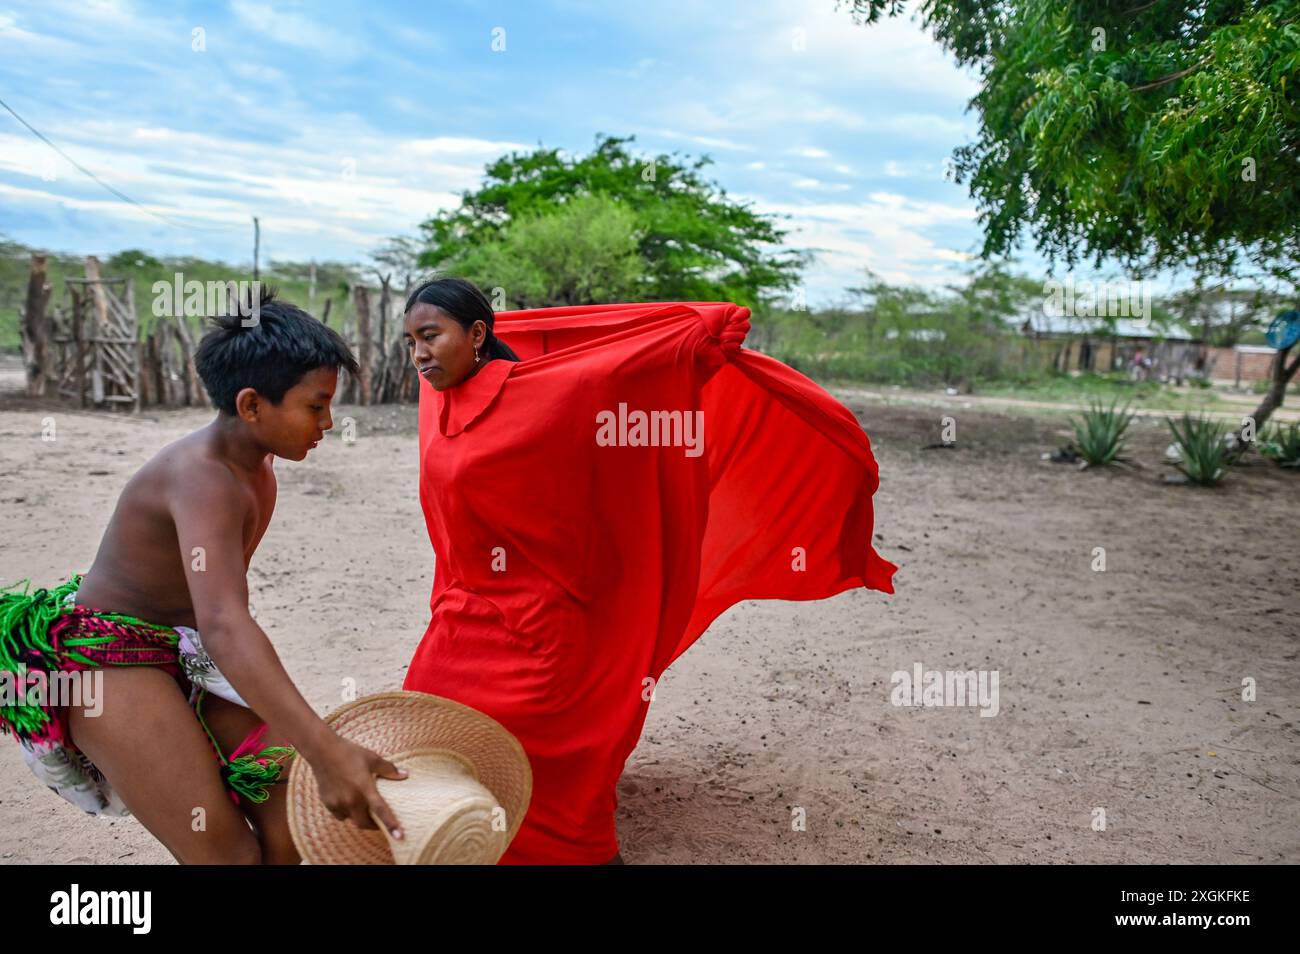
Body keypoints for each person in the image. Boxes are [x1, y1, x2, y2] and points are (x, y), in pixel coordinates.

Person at [401, 278, 897, 864]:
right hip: (467, 606)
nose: (418, 354)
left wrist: (690, 339)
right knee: (424, 715)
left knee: (538, 751)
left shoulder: (543, 392)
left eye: (429, 336)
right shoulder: (436, 398)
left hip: (549, 610)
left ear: (478, 334)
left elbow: (606, 374)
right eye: (409, 342)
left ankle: (578, 846)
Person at [0, 288, 407, 864]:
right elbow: (224, 622)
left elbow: (216, 622)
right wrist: (324, 746)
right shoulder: (203, 477)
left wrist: (317, 749)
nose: (329, 422)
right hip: (107, 655)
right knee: (228, 856)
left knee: (297, 824)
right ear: (251, 405)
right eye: (315, 407)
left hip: (191, 648)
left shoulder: (259, 464)